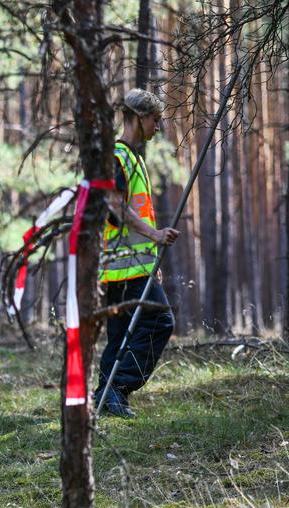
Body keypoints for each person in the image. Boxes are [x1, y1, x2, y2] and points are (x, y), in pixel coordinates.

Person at [94, 88, 179, 419]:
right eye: (155, 120)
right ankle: (119, 387)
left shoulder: (133, 158)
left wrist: (151, 257)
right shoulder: (118, 156)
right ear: (139, 117)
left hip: (127, 267)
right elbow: (115, 206)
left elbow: (134, 210)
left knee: (119, 337)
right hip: (123, 268)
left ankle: (105, 396)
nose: (158, 128)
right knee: (161, 321)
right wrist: (155, 235)